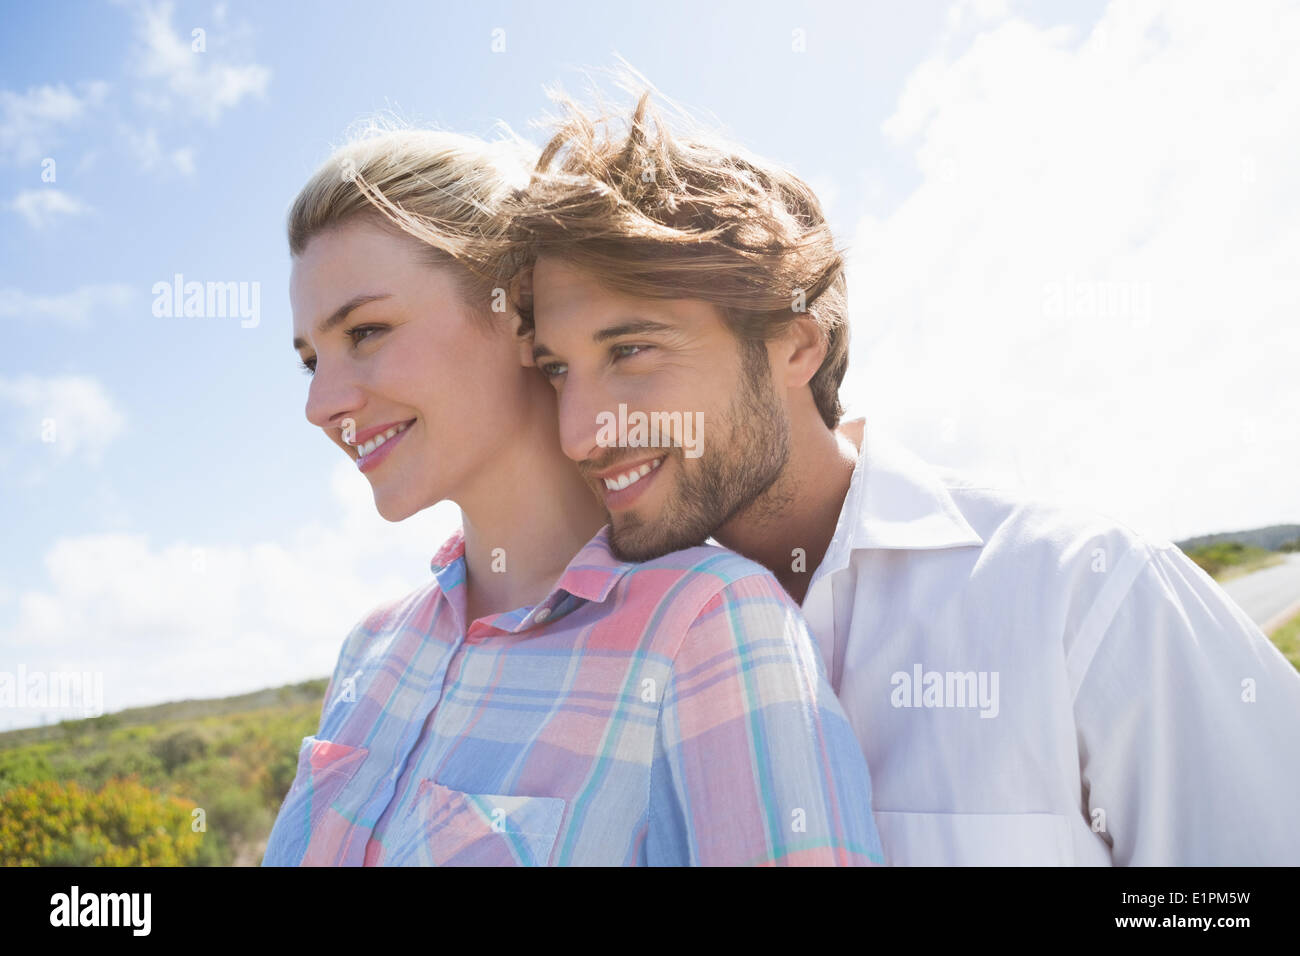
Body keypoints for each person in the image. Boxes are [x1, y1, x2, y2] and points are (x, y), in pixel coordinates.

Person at [507, 85, 1300, 865]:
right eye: (555, 370)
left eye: (631, 351)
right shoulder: (601, 661)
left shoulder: (1082, 593)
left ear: (795, 344)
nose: (579, 434)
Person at [261, 122, 884, 867]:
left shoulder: (708, 628)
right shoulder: (373, 648)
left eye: (365, 331)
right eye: (310, 360)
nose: (322, 403)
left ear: (521, 315)